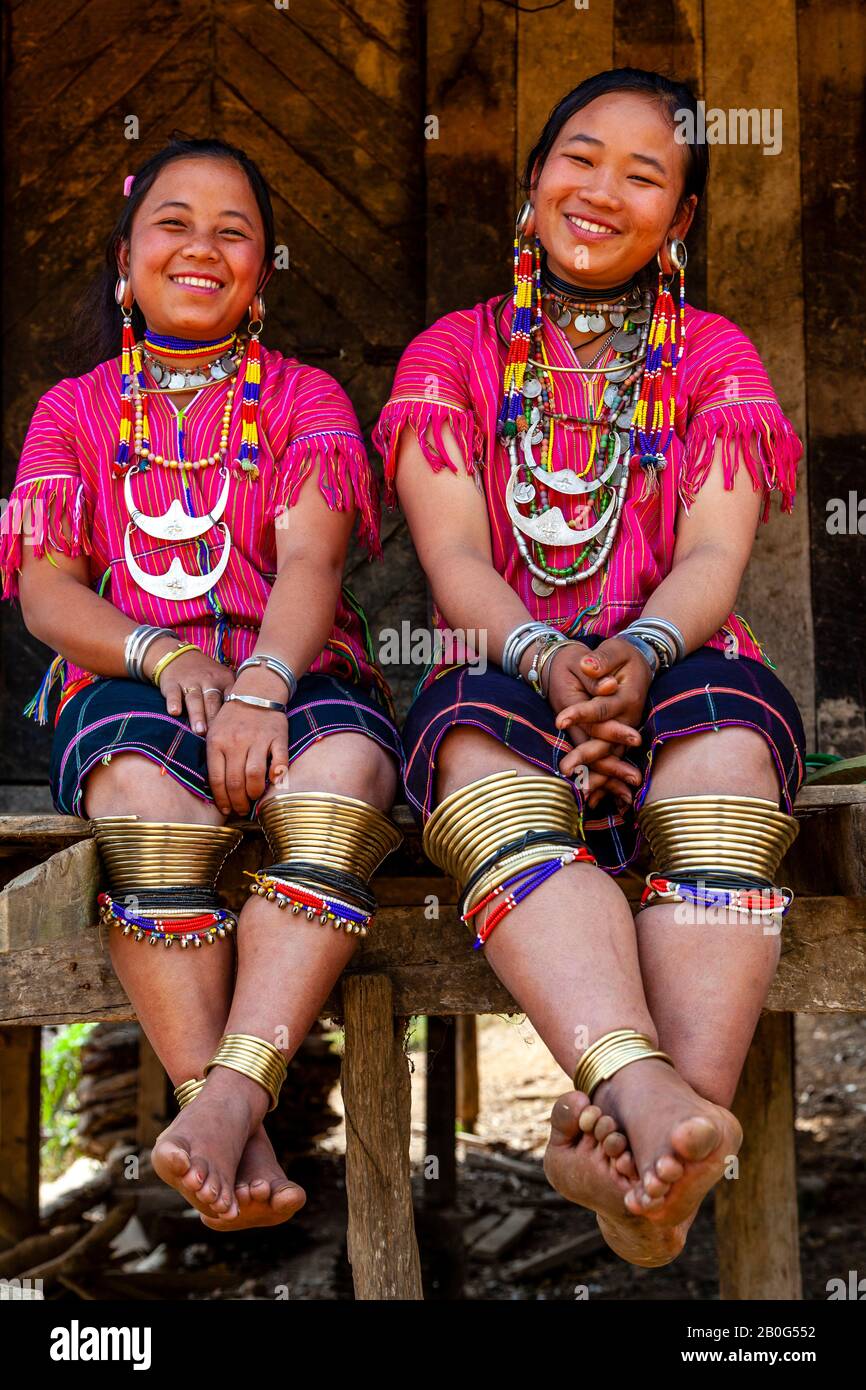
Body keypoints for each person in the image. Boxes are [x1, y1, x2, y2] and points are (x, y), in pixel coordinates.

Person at [373, 69, 805, 1267]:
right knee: (471, 749)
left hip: (677, 663)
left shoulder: (713, 356)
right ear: (531, 181)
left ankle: (651, 1163)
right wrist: (547, 657)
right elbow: (453, 552)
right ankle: (658, 1120)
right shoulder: (450, 354)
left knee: (719, 753)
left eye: (644, 173)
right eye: (578, 156)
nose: (601, 189)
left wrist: (634, 656)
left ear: (683, 219)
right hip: (507, 671)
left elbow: (714, 553)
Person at [0, 136, 405, 1231]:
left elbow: (313, 563)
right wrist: (170, 655)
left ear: (262, 270)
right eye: (172, 223)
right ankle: (232, 1112)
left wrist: (261, 684)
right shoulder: (70, 412)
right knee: (143, 799)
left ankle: (224, 1099)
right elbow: (48, 595)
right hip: (128, 683)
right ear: (123, 263)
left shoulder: (307, 399)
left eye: (235, 232)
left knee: (347, 777)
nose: (203, 247)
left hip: (298, 670)